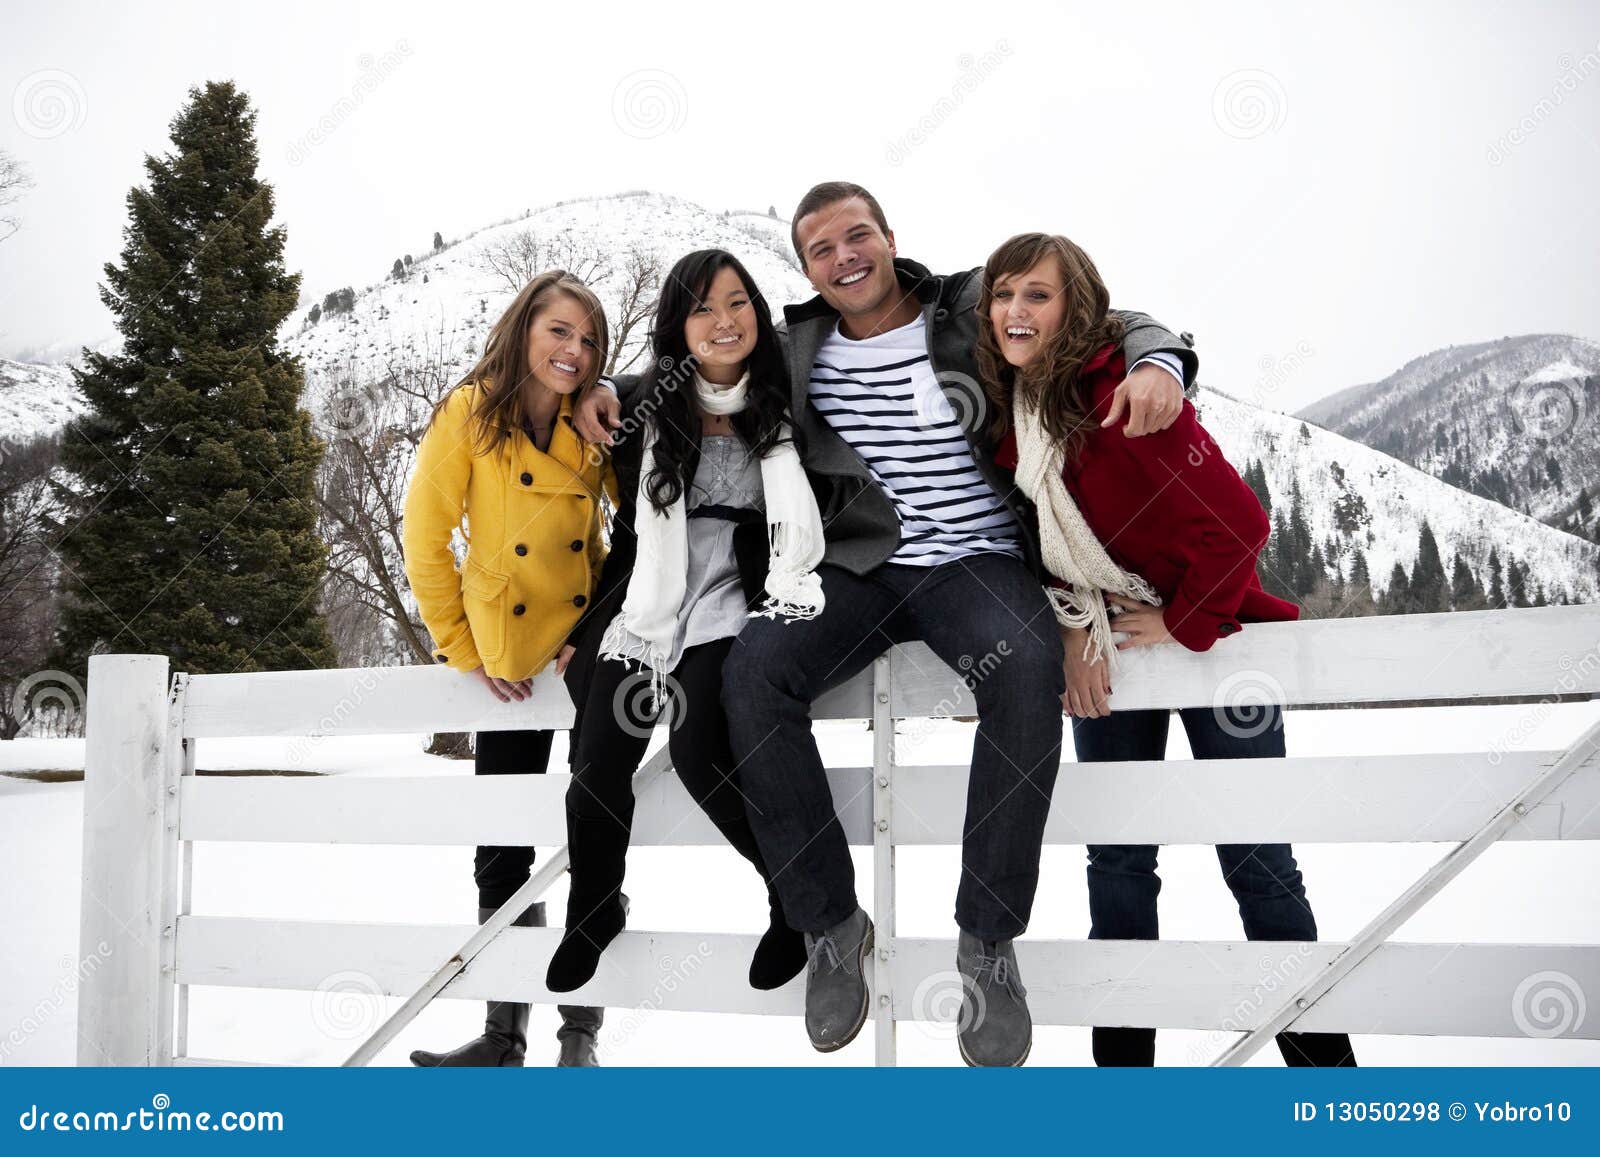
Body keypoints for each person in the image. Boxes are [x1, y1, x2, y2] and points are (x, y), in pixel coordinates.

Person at [576, 181, 1196, 1066]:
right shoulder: (796, 345)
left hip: (975, 562)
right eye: (822, 250)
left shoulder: (971, 304)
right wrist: (604, 386)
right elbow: (696, 368)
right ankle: (831, 923)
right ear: (808, 270)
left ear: (889, 237)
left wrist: (1158, 364)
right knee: (755, 675)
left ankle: (987, 942)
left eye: (856, 236)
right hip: (859, 565)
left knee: (1024, 667)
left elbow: (1114, 318)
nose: (844, 257)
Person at [983, 231, 1356, 1067]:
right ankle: (1125, 1090)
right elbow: (1029, 546)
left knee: (1259, 858)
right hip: (1110, 648)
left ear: (1075, 304)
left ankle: (1328, 1082)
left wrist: (1184, 622)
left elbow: (1241, 524)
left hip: (1218, 641)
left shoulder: (1125, 392)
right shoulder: (1013, 424)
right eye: (1004, 295)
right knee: (1117, 861)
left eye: (1036, 294)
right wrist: (1073, 622)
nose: (1016, 311)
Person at [543, 249, 816, 997]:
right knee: (599, 753)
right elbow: (601, 399)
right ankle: (594, 908)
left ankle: (792, 897)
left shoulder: (789, 392)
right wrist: (592, 387)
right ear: (679, 325)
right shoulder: (647, 403)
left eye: (736, 303)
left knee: (700, 748)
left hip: (737, 586)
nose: (722, 321)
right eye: (702, 308)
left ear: (757, 313)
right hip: (649, 591)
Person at [401, 269, 614, 1067]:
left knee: (596, 837)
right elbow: (424, 538)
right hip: (510, 657)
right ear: (525, 328)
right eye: (560, 330)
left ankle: (582, 1037)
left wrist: (597, 631)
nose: (574, 350)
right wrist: (463, 647)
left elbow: (638, 525)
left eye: (589, 340)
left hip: (585, 651)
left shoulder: (592, 418)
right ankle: (501, 1036)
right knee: (502, 852)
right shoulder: (469, 413)